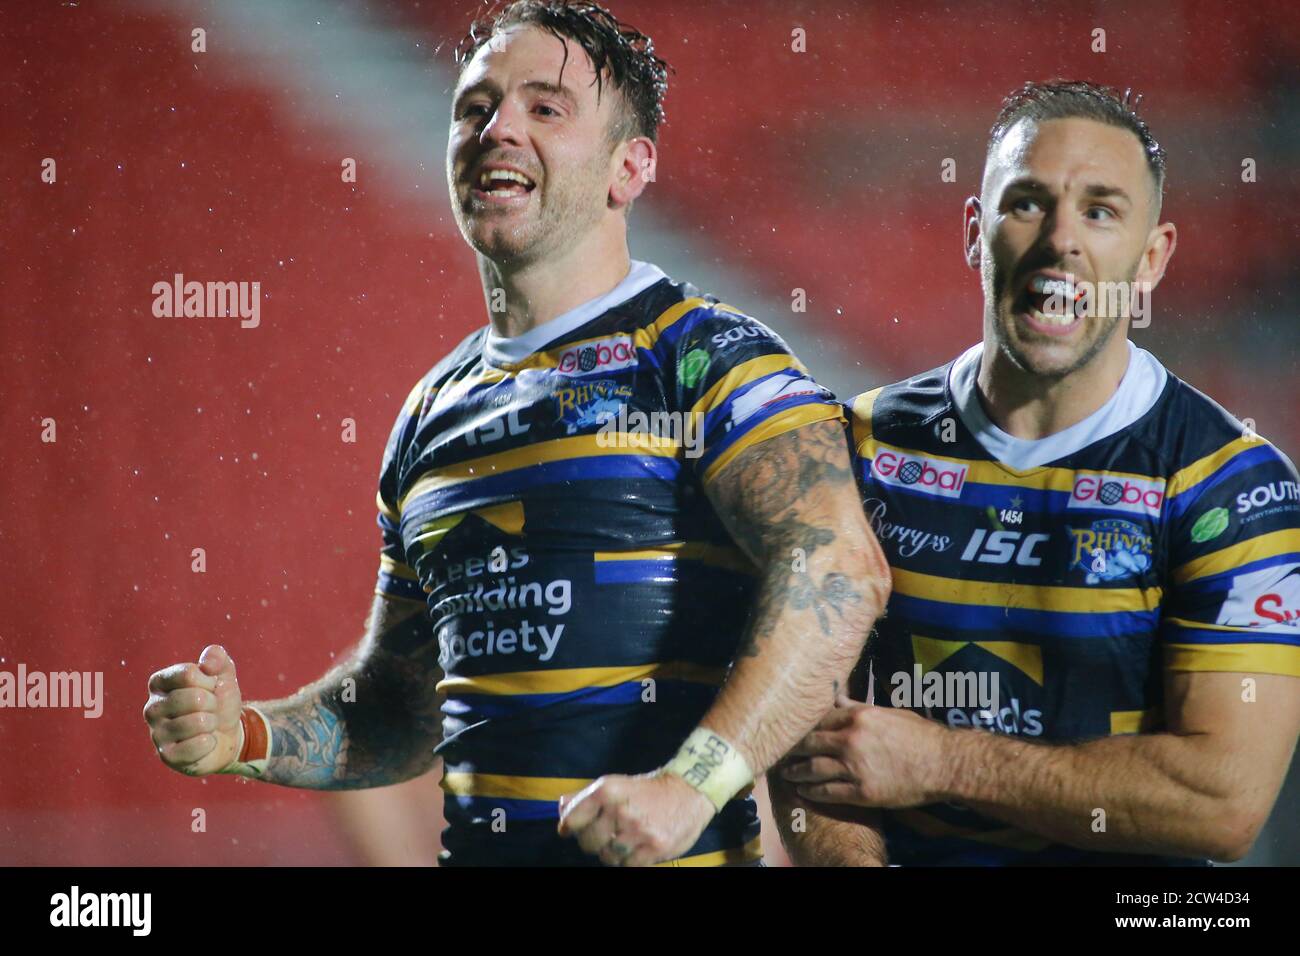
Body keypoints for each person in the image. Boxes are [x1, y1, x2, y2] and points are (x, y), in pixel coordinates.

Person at [143, 0, 888, 867]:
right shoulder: (432, 412)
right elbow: (402, 710)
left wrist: (693, 784)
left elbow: (839, 568)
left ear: (628, 168)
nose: (497, 128)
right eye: (474, 107)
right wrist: (249, 733)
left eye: (546, 107)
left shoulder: (706, 357)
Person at [773, 80, 1300, 866]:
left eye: (1100, 210)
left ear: (1151, 259)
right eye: (1027, 203)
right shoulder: (858, 446)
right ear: (974, 232)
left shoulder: (1234, 487)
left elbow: (1222, 802)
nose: (1062, 241)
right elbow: (807, 743)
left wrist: (938, 761)